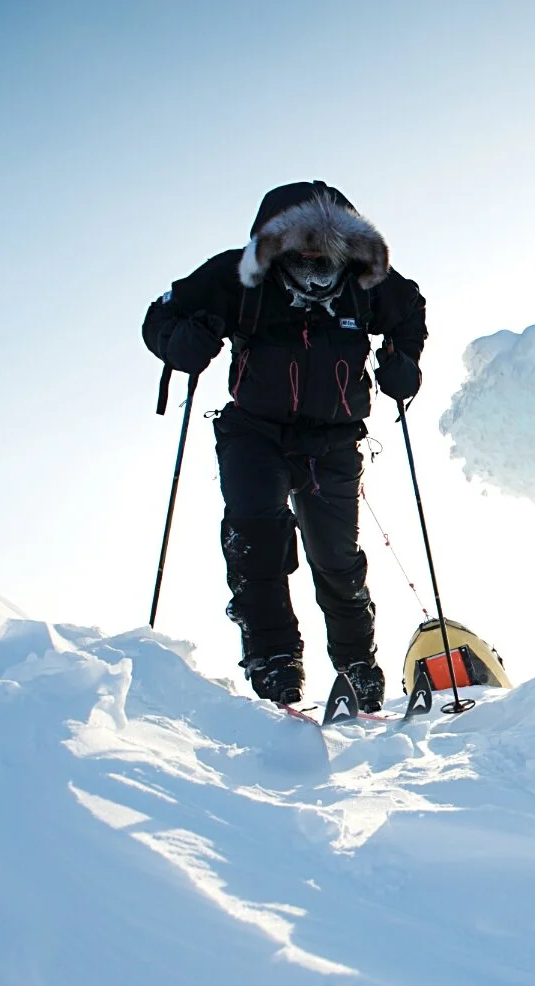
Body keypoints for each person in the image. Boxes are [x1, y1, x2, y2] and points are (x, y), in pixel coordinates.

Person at [142, 181, 425, 711]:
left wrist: (404, 364)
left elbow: (411, 315)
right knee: (256, 536)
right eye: (302, 242)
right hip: (255, 432)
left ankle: (358, 665)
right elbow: (162, 315)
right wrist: (178, 344)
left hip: (336, 440)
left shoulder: (372, 285)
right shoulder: (237, 277)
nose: (315, 254)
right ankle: (274, 660)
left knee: (336, 559)